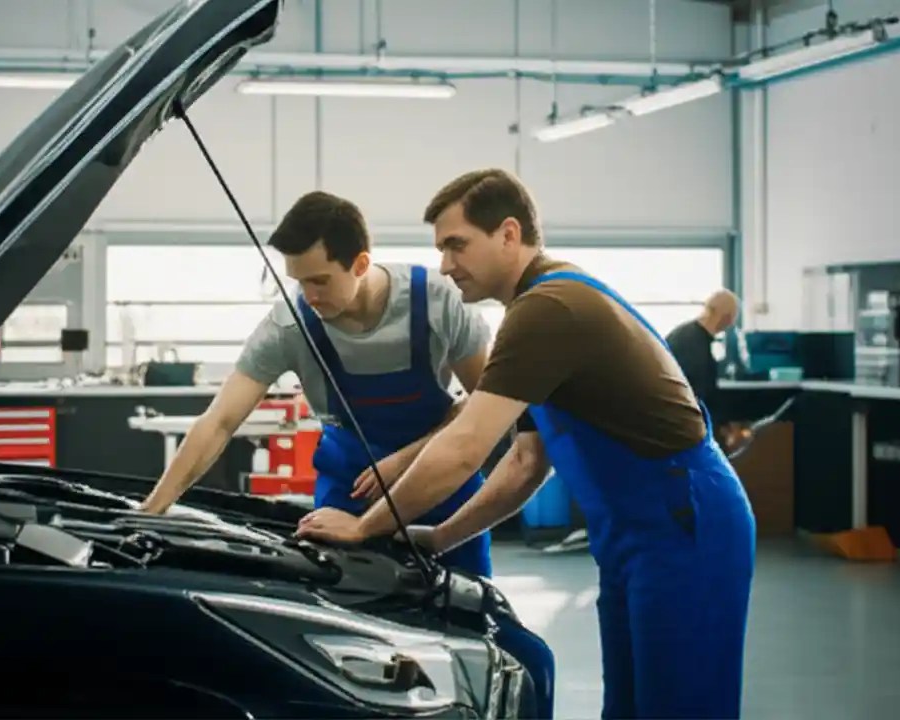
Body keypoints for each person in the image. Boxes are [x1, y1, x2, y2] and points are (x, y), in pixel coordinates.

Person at [295, 168, 756, 720]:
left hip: (686, 522)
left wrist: (367, 525)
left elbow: (466, 446)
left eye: (456, 244)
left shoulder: (548, 308)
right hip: (634, 536)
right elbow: (524, 463)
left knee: (681, 708)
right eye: (440, 248)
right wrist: (439, 536)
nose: (445, 264)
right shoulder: (534, 310)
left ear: (509, 234)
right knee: (632, 707)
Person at [137, 189, 498, 577]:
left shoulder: (437, 303)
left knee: (471, 610)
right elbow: (219, 422)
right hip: (349, 494)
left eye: (320, 281)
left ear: (360, 264)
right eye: (298, 282)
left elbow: (486, 406)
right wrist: (151, 511)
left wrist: (407, 459)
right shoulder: (289, 326)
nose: (308, 296)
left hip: (442, 485)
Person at [665, 289, 740, 414]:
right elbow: (697, 392)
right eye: (732, 317)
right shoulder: (694, 344)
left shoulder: (687, 334)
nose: (731, 323)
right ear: (725, 317)